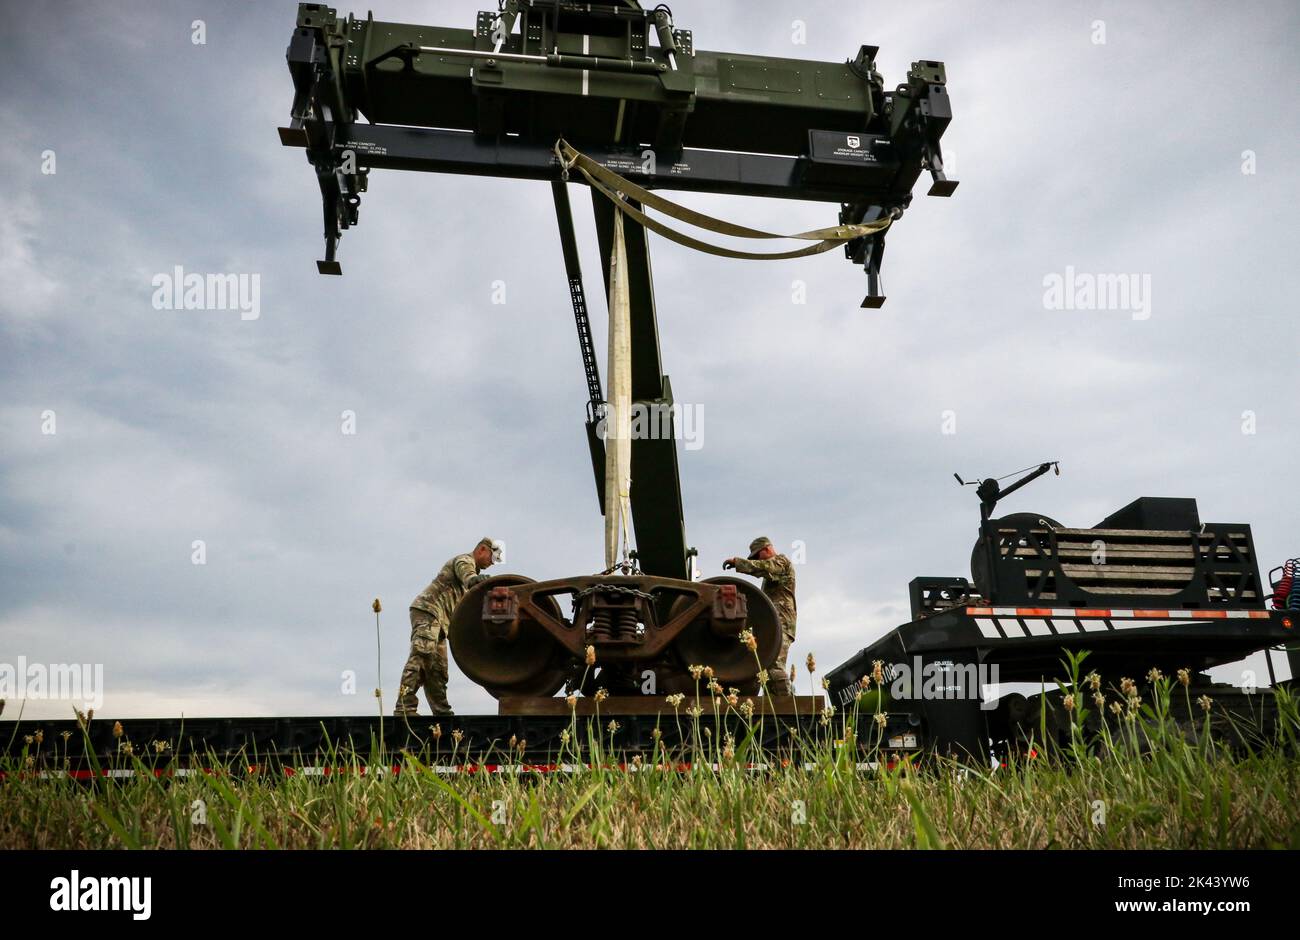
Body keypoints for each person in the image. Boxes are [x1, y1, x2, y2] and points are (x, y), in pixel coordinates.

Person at [394, 537, 500, 717]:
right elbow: (466, 573)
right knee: (421, 656)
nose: (492, 563)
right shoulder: (465, 561)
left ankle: (442, 713)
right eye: (492, 557)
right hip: (428, 611)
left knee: (438, 670)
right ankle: (405, 707)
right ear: (482, 549)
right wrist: (474, 579)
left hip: (442, 623)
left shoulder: (468, 581)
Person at [724, 536, 796, 697]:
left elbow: (764, 567)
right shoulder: (772, 574)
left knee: (775, 665)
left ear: (767, 549)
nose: (757, 559)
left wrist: (738, 562)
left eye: (758, 555)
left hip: (782, 622)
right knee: (766, 667)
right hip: (774, 623)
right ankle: (775, 706)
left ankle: (787, 707)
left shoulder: (780, 562)